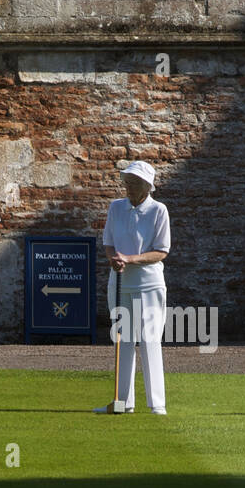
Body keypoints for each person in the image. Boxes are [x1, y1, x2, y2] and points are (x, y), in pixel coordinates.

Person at [96, 161, 171, 415]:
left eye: (135, 183)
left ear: (147, 186)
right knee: (122, 341)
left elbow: (161, 251)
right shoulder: (116, 208)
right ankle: (124, 401)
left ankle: (156, 404)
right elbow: (108, 242)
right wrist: (114, 259)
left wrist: (129, 259)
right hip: (119, 283)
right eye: (127, 181)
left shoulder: (159, 211)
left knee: (150, 340)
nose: (128, 187)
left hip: (149, 285)